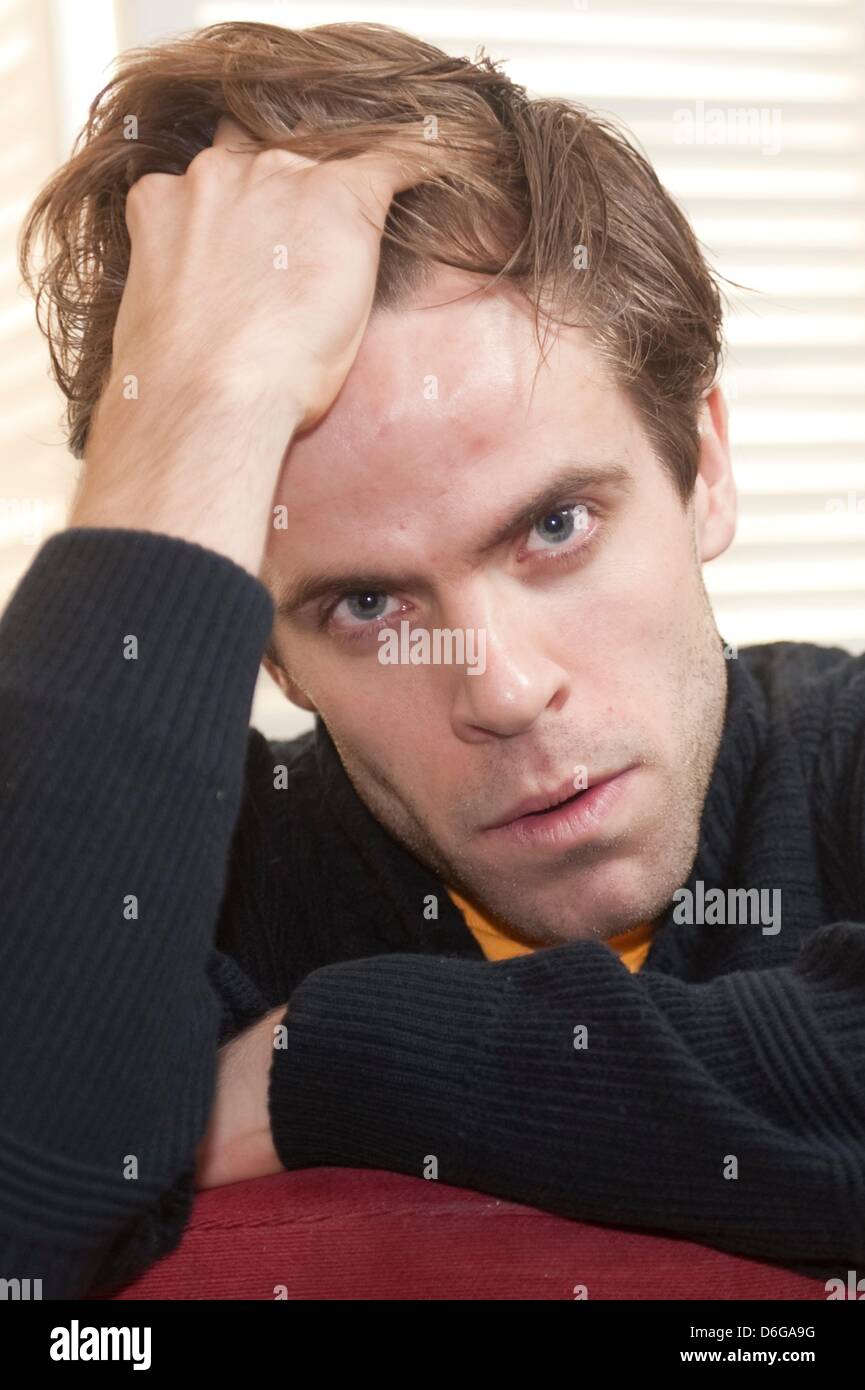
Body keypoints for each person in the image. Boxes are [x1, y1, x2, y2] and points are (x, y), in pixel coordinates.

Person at [2, 20, 863, 1299]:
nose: (505, 690)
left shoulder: (844, 755)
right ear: (274, 652)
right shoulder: (211, 881)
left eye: (555, 527)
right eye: (363, 605)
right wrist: (196, 406)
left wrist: (326, 1061)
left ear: (706, 468)